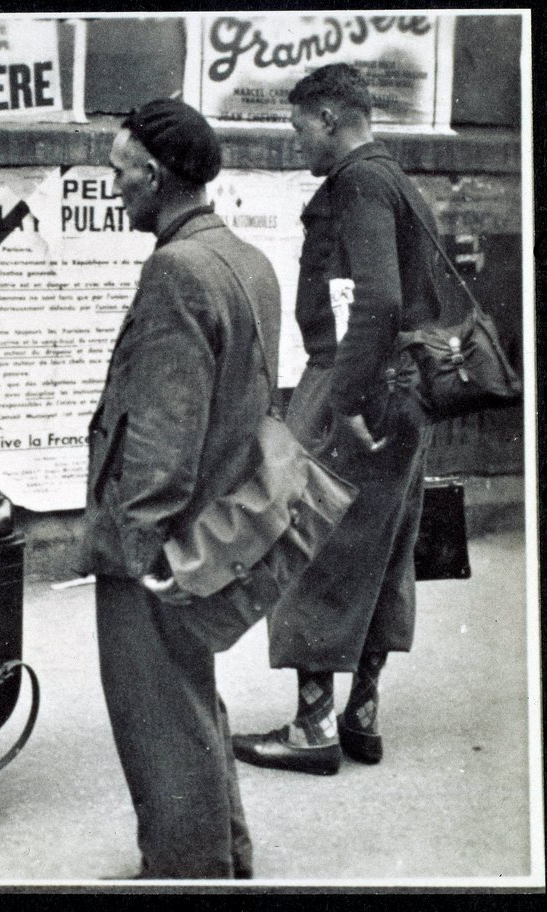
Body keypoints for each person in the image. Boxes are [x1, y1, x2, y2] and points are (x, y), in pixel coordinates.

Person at [78, 99, 281, 879]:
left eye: (120, 172)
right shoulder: (243, 258)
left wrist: (137, 551)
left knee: (157, 715)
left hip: (164, 538)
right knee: (190, 700)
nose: (114, 187)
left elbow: (163, 430)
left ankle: (185, 871)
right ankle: (224, 854)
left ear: (156, 176)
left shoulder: (175, 270)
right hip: (215, 525)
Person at [232, 64, 434, 776]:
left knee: (307, 541)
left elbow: (378, 299)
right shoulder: (396, 180)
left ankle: (313, 728)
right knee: (383, 550)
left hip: (357, 386)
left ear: (328, 119)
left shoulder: (359, 184)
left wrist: (344, 400)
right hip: (401, 388)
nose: (297, 142)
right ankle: (361, 717)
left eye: (299, 128)